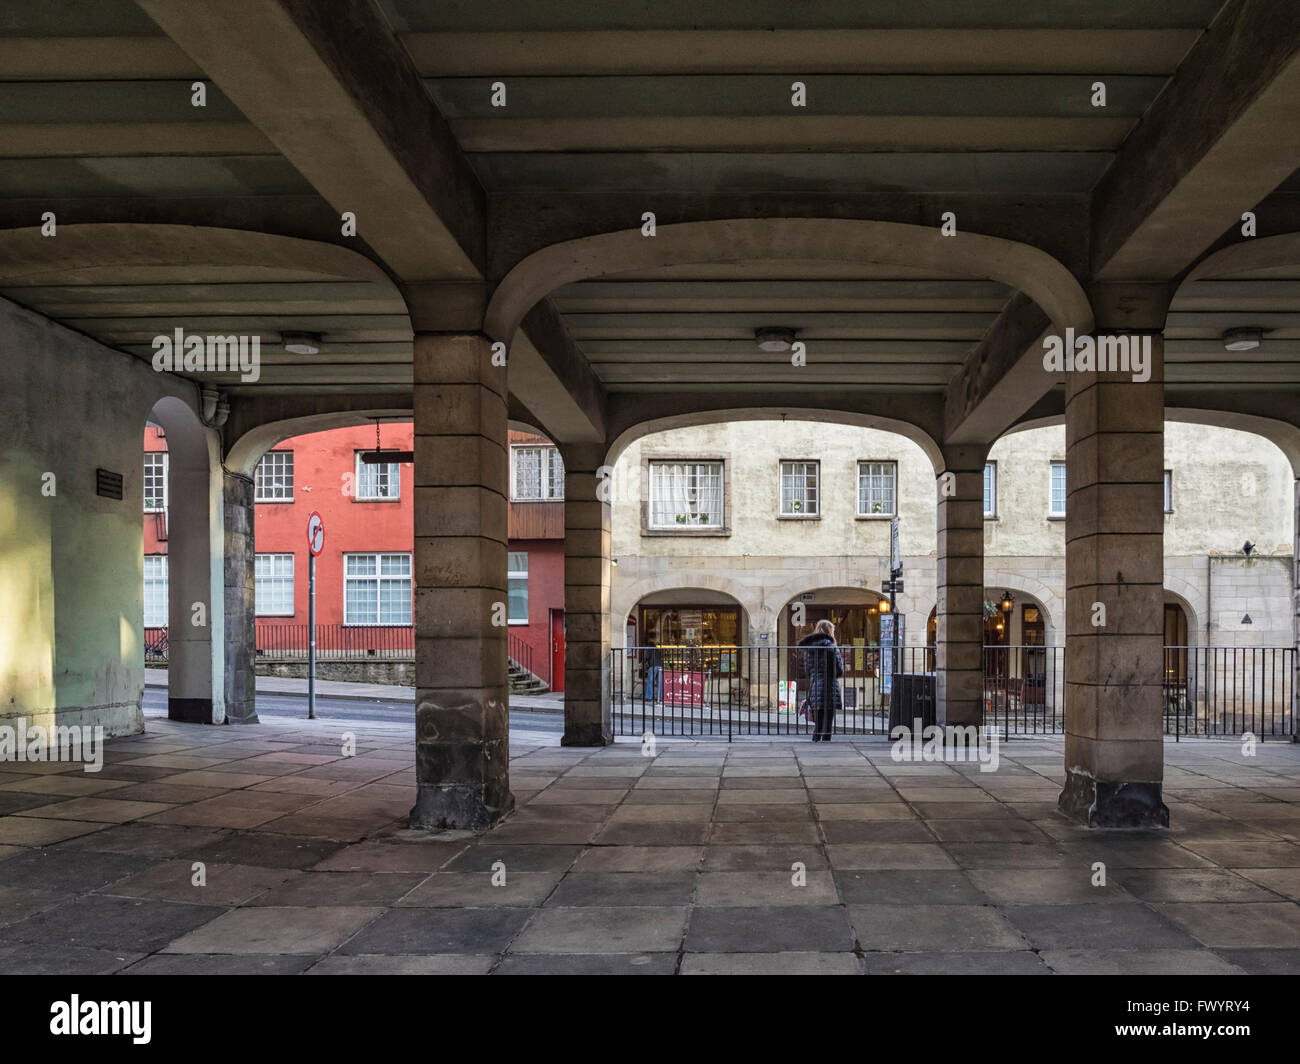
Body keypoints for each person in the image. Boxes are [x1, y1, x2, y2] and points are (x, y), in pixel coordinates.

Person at [798, 619, 844, 741]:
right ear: (829, 631)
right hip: (829, 684)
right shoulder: (831, 647)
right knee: (828, 715)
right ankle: (826, 739)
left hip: (815, 684)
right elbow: (839, 670)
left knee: (818, 713)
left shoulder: (809, 650)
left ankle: (816, 736)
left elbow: (807, 670)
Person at [642, 634, 664, 705]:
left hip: (653, 666)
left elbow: (646, 657)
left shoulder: (648, 648)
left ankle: (649, 697)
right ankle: (660, 697)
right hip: (660, 666)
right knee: (660, 683)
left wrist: (643, 663)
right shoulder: (656, 649)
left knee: (650, 682)